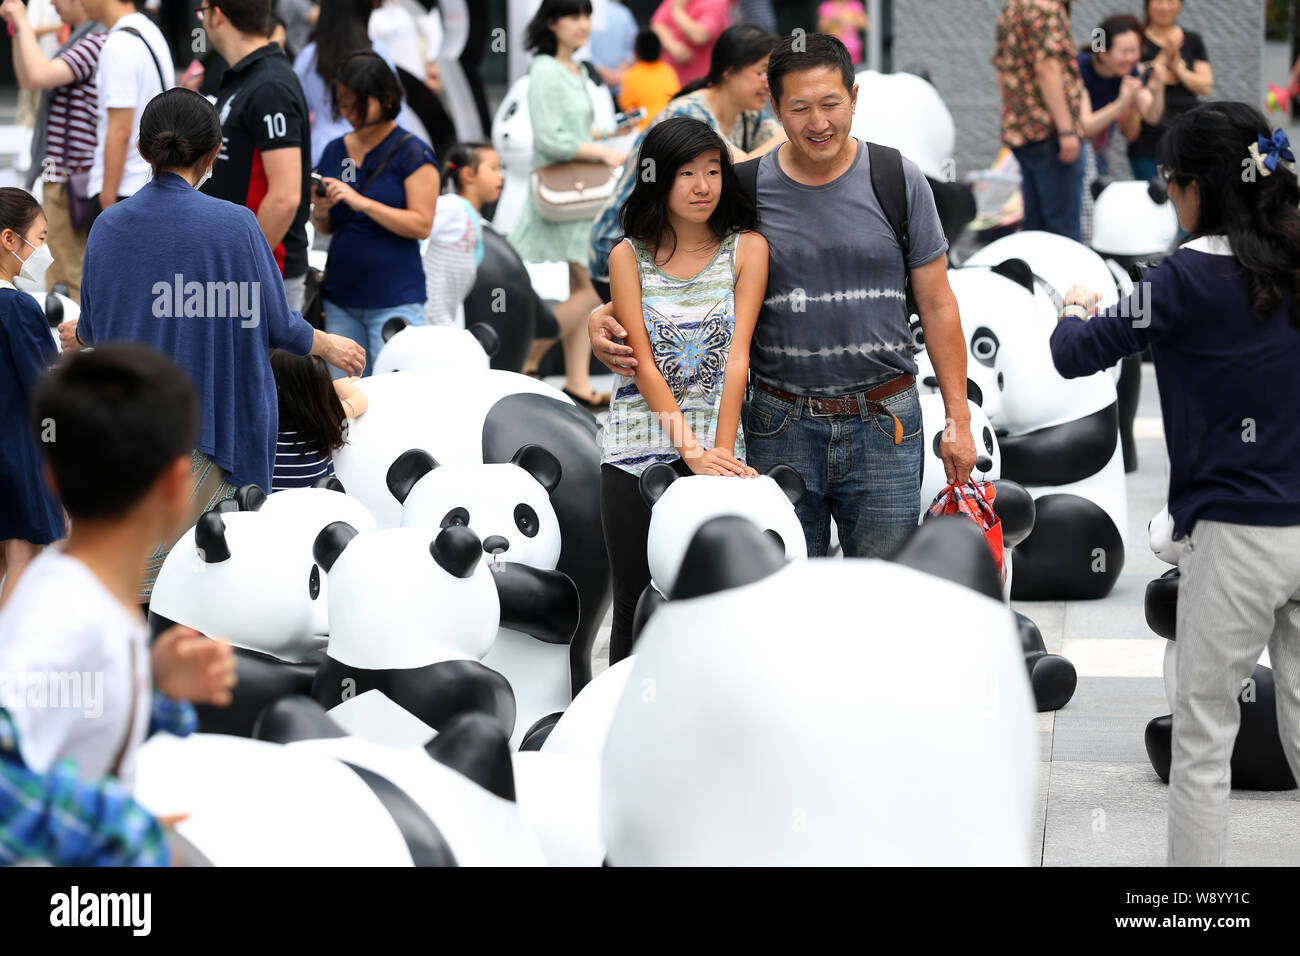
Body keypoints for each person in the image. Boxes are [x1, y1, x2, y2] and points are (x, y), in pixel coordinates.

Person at [592, 33, 976, 559]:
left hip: (885, 424)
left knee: (882, 597)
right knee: (782, 600)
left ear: (855, 98)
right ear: (775, 107)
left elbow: (937, 304)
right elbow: (676, 276)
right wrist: (604, 316)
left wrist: (958, 419)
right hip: (780, 426)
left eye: (831, 104)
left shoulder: (898, 178)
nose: (818, 123)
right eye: (799, 108)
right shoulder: (744, 189)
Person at [1048, 102, 1300, 866]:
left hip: (1234, 537)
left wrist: (1071, 306)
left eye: (1169, 181)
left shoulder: (1181, 279)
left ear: (1194, 190)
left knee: (1201, 739)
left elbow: (1075, 355)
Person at [59, 88, 364, 599]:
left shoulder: (108, 226)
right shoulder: (236, 225)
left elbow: (94, 326)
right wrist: (330, 344)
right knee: (210, 593)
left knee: (131, 592)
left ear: (142, 149)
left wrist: (80, 334)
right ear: (211, 153)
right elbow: (279, 326)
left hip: (126, 435)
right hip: (215, 434)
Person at [0, 345, 235, 803]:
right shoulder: (69, 618)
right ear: (175, 485)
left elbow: (71, 735)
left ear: (51, 477)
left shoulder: (75, 592)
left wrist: (154, 684)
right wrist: (130, 839)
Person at [601, 116, 766, 663]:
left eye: (714, 172)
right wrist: (688, 451)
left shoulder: (747, 250)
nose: (703, 186)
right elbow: (643, 363)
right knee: (634, 602)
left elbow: (738, 356)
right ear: (658, 179)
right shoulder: (628, 256)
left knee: (714, 601)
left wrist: (718, 453)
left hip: (720, 450)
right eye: (687, 173)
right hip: (634, 453)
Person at [589, 22, 785, 303]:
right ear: (728, 71)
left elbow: (775, 152)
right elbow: (739, 165)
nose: (769, 82)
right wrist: (791, 124)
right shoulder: (688, 112)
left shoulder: (747, 115)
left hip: (670, 248)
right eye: (761, 72)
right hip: (621, 244)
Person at [508, 0, 624, 410]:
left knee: (584, 286)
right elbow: (550, 140)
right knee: (593, 289)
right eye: (574, 15)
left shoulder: (574, 69)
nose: (584, 24)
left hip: (579, 193)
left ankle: (577, 380)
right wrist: (603, 152)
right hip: (566, 191)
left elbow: (572, 129)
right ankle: (531, 354)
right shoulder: (544, 70)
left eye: (587, 15)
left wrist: (608, 133)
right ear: (552, 23)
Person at [311, 51, 438, 377]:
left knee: (396, 401)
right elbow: (325, 229)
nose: (349, 112)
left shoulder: (412, 151)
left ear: (386, 98)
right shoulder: (335, 150)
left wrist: (361, 202)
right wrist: (321, 210)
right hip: (340, 297)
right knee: (344, 401)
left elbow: (421, 224)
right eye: (343, 103)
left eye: (357, 104)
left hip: (395, 299)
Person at [198, 0, 313, 313]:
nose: (202, 21)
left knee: (261, 364)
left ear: (217, 15)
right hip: (233, 269)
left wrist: (240, 269)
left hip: (262, 273)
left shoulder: (270, 85)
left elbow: (285, 196)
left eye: (202, 12)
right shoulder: (244, 78)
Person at [2, 0, 104, 302]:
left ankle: (78, 344)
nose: (52, 4)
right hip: (60, 172)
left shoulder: (95, 40)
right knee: (59, 268)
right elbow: (27, 79)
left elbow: (37, 76)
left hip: (71, 175)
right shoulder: (82, 37)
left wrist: (21, 21)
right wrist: (19, 29)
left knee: (68, 272)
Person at [0, 189, 62, 609]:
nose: (46, 250)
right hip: (18, 457)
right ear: (9, 240)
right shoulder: (18, 308)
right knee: (23, 556)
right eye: (40, 238)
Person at [993, 0, 1085, 241]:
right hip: (1051, 134)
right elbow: (1047, 68)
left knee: (1034, 231)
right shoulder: (1046, 9)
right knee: (1063, 236)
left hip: (1024, 134)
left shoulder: (1012, 8)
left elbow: (1002, 68)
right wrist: (1066, 131)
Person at [80, 0, 174, 225]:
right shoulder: (150, 31)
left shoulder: (119, 44)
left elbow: (120, 130)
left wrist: (107, 200)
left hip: (123, 189)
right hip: (148, 181)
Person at [292, 0, 408, 167]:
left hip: (322, 154)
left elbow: (295, 110)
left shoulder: (309, 57)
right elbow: (398, 110)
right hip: (371, 153)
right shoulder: (377, 52)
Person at [1127, 0, 1212, 182]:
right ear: (1148, 5)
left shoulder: (1192, 40)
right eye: (1158, 1)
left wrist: (1179, 69)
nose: (1165, 7)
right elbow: (1135, 78)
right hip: (1148, 140)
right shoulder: (1136, 39)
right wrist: (1165, 55)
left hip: (1186, 136)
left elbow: (1205, 85)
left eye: (1171, 1)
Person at [423, 141, 502, 328]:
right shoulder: (452, 207)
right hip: (430, 313)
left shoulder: (473, 215)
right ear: (468, 174)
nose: (501, 176)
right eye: (493, 168)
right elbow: (419, 227)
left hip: (447, 313)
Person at [1077, 14, 1166, 178]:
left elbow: (1152, 116)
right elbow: (1085, 128)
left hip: (1097, 157)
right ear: (1103, 53)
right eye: (1125, 52)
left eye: (1135, 50)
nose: (1132, 58)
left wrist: (1158, 89)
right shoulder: (1079, 68)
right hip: (1066, 153)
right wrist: (1121, 102)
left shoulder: (1129, 72)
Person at [269, 349, 367, 491]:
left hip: (270, 510)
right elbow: (360, 401)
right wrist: (336, 385)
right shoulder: (325, 421)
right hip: (319, 508)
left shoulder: (259, 429)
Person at [651, 0, 732, 87]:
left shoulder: (717, 2)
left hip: (702, 85)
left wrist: (677, 11)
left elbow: (700, 36)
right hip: (671, 82)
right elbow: (657, 24)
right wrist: (673, 46)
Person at [618, 30, 679, 132]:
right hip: (671, 127)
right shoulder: (669, 71)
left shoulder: (631, 75)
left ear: (636, 54)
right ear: (661, 51)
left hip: (645, 130)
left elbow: (626, 106)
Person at [588, 0, 638, 91]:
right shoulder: (624, 13)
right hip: (620, 83)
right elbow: (633, 47)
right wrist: (619, 73)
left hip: (596, 84)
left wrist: (608, 74)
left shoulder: (588, 13)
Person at [817, 0, 868, 66]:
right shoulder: (827, 6)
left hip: (853, 50)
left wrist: (850, 21)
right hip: (833, 50)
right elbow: (821, 28)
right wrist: (834, 20)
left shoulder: (854, 4)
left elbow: (864, 25)